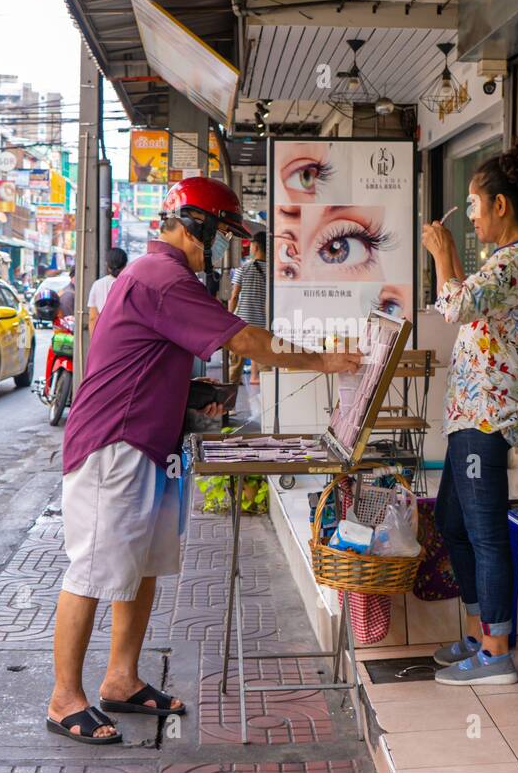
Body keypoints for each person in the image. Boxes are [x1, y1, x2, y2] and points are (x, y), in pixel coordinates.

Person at [46, 177, 361, 743]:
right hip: (114, 445)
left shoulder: (163, 276)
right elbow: (243, 342)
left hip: (149, 443)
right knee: (92, 570)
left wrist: (188, 397)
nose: (220, 250)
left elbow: (148, 359)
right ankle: (63, 697)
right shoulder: (164, 277)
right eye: (219, 236)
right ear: (196, 224)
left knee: (140, 566)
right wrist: (324, 360)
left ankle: (121, 679)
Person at [420, 137, 518, 686]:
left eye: (476, 207)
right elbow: (465, 303)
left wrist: (439, 252)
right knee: (452, 524)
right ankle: (483, 633)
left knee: (483, 532)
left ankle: (498, 650)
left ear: (501, 206)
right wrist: (453, 253)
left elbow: (453, 303)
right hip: (469, 417)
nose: (473, 218)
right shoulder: (506, 262)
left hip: (487, 420)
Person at [227, 232, 268, 384]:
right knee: (266, 370)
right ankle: (269, 404)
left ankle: (228, 407)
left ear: (255, 246)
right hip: (263, 328)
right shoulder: (274, 271)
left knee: (234, 370)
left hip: (241, 326)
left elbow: (234, 296)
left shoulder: (243, 268)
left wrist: (229, 316)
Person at [87, 247, 128, 337]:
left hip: (104, 335)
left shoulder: (97, 285)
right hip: (125, 335)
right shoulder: (130, 283)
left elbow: (93, 318)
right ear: (125, 265)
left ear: (107, 265)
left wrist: (93, 342)